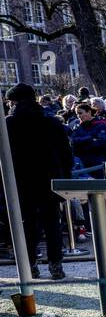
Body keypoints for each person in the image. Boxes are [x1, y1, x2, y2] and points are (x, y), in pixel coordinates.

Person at [4, 83, 73, 279]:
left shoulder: (9, 124)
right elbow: (66, 154)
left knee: (27, 224)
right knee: (52, 223)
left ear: (14, 102)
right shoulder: (51, 122)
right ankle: (55, 264)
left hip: (21, 182)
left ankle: (30, 264)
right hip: (50, 181)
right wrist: (65, 178)